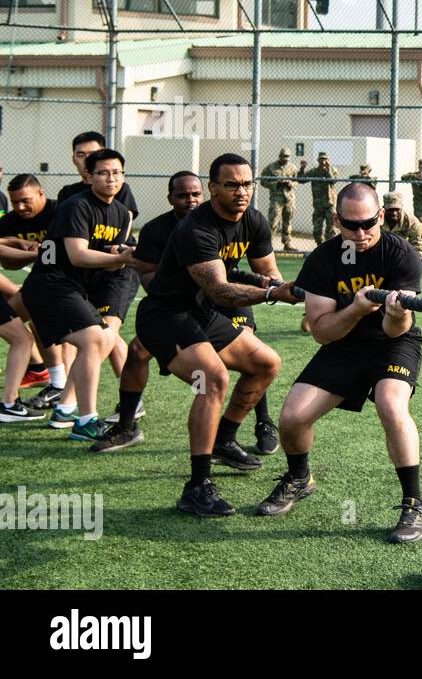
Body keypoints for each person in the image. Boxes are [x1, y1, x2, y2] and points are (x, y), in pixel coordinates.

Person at [256, 183, 422, 544]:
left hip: (392, 343)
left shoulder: (403, 254)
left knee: (391, 405)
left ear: (381, 216)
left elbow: (399, 329)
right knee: (292, 417)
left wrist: (394, 313)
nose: (361, 233)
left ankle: (414, 503)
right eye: (351, 225)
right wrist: (357, 308)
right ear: (336, 220)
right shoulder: (321, 260)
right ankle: (299, 478)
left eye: (368, 223)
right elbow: (322, 332)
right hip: (344, 343)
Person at [134, 153, 299, 516]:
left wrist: (301, 291)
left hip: (201, 313)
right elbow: (220, 291)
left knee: (265, 364)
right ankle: (197, 486)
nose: (242, 192)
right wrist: (273, 294)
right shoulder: (196, 229)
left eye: (247, 184)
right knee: (212, 379)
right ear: (212, 188)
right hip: (165, 315)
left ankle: (224, 439)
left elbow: (269, 272)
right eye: (232, 185)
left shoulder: (253, 220)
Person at [95, 171, 281, 454]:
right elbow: (149, 278)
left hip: (226, 293)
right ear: (170, 198)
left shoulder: (245, 219)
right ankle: (126, 424)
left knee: (252, 351)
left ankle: (261, 422)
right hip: (181, 302)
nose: (190, 200)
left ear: (205, 194)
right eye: (182, 195)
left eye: (195, 195)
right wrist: (185, 276)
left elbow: (264, 269)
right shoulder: (161, 230)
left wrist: (275, 285)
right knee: (138, 351)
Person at [18, 149, 134, 441]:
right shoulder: (75, 206)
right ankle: (84, 419)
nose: (111, 178)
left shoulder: (121, 213)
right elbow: (78, 255)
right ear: (89, 176)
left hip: (74, 288)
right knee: (95, 340)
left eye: (117, 172)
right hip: (49, 284)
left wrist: (125, 255)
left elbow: (110, 255)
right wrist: (124, 258)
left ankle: (70, 411)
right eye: (104, 173)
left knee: (97, 341)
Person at [0, 175, 66, 413]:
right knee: (20, 328)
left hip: (72, 282)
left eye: (25, 201)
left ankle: (61, 388)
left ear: (40, 194)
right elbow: (8, 265)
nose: (20, 207)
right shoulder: (9, 221)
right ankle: (46, 376)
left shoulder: (60, 211)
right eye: (15, 202)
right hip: (39, 284)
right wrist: (23, 249)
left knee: (77, 338)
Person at [259, 147, 297, 251]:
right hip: (277, 198)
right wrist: (277, 183)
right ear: (279, 156)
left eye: (287, 157)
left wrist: (291, 184)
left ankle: (287, 243)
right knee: (273, 221)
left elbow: (297, 180)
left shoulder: (293, 167)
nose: (285, 159)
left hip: (289, 199)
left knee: (288, 221)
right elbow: (263, 181)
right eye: (284, 157)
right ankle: (268, 244)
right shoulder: (271, 168)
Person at [306, 151, 341, 245]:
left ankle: (330, 246)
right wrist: (302, 168)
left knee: (331, 228)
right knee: (317, 228)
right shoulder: (314, 171)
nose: (323, 161)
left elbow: (333, 181)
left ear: (328, 160)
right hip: (318, 204)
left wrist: (328, 169)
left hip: (330, 204)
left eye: (325, 159)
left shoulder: (333, 170)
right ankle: (319, 245)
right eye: (321, 159)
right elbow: (302, 179)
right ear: (318, 160)